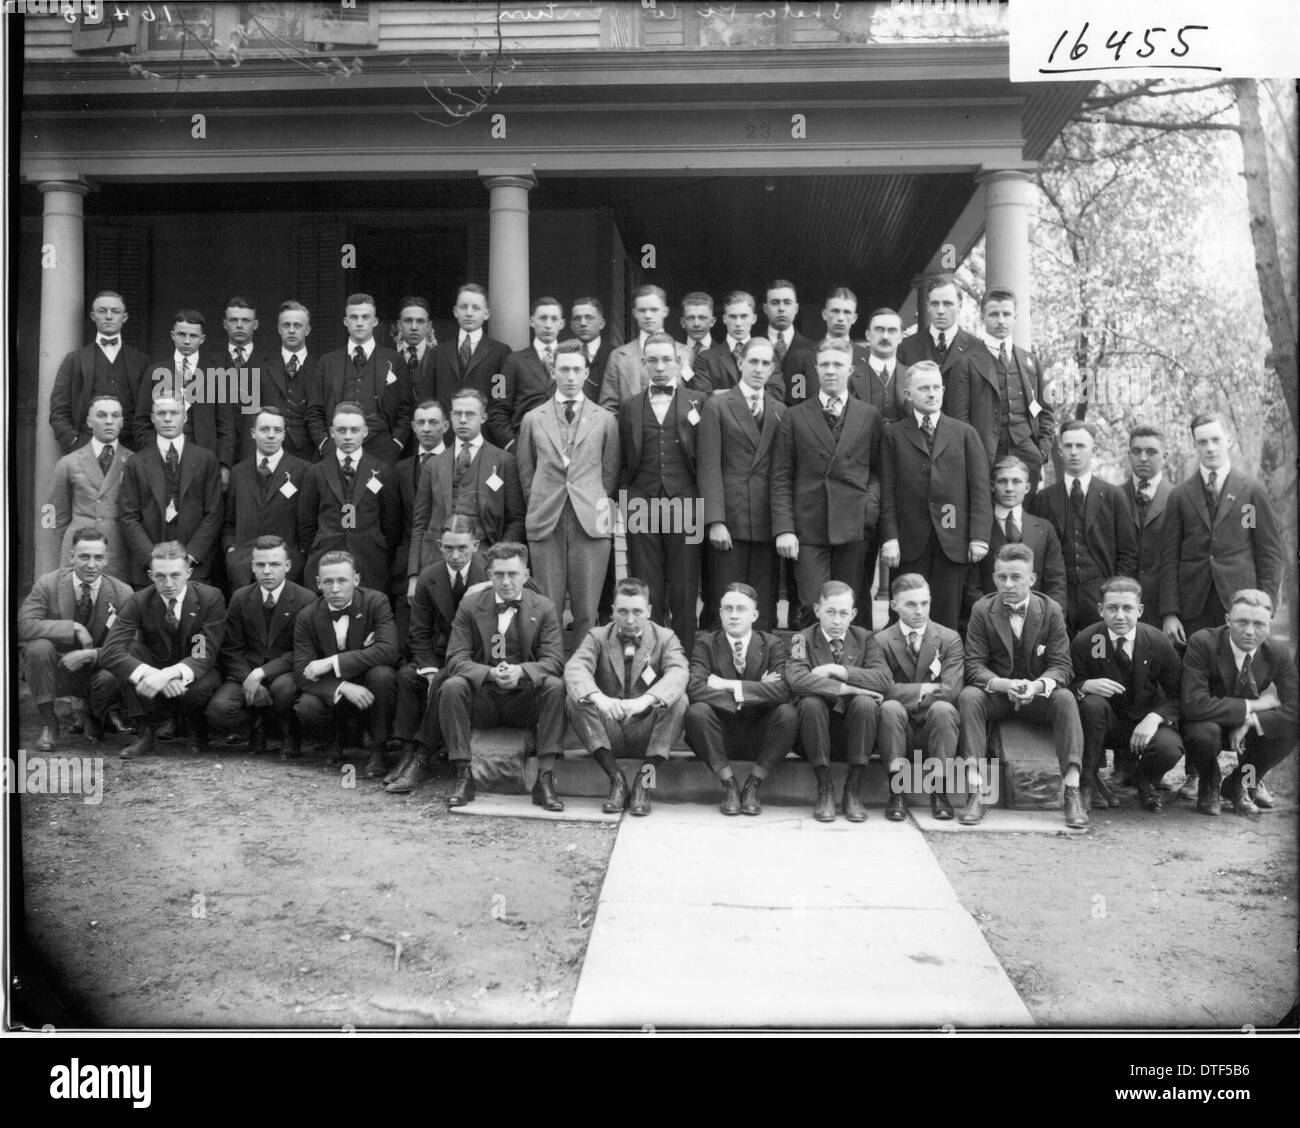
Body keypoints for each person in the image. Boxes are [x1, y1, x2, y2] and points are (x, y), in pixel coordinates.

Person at [958, 543, 1088, 828]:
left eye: (1016, 577)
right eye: (1002, 577)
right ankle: (976, 789)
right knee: (969, 697)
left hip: (1036, 697)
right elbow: (973, 665)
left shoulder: (1050, 609)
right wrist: (1002, 684)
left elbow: (1062, 665)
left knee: (1065, 698)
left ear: (1032, 579)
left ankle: (1072, 789)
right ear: (994, 578)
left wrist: (1039, 686)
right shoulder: (982, 609)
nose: (1008, 584)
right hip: (999, 695)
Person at [440, 542, 568, 811]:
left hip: (523, 699)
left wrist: (522, 671)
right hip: (484, 698)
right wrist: (488, 674)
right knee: (452, 686)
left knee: (555, 686)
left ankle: (545, 779)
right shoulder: (470, 605)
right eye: (499, 574)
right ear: (488, 575)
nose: (506, 581)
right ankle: (464, 775)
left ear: (526, 574)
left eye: (513, 574)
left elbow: (554, 661)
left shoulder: (544, 608)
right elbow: (455, 658)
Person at [770, 338, 883, 628]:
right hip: (809, 526)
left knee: (850, 606)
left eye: (838, 364)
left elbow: (878, 471)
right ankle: (809, 670)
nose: (831, 371)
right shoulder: (795, 416)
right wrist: (784, 528)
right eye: (825, 365)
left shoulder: (868, 415)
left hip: (854, 525)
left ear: (851, 369)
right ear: (816, 369)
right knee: (811, 603)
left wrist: (868, 508)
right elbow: (781, 476)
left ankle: (850, 671)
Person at [517, 341, 620, 646]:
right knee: (546, 606)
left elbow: (610, 473)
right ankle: (549, 669)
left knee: (587, 608)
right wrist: (540, 500)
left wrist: (594, 503)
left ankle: (584, 674)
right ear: (553, 371)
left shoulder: (605, 419)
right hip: (546, 517)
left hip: (590, 519)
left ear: (587, 372)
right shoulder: (534, 418)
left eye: (577, 369)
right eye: (564, 369)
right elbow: (526, 471)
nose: (571, 376)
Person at [878, 360, 990, 631]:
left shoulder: (964, 433)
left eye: (936, 387)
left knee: (945, 614)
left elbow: (979, 488)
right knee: (905, 610)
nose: (932, 393)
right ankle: (902, 671)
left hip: (952, 541)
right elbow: (887, 491)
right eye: (924, 388)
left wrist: (978, 536)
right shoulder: (893, 434)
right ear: (908, 394)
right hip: (909, 541)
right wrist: (890, 538)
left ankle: (943, 672)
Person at [564, 577, 690, 816]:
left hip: (646, 729)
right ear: (612, 611)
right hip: (609, 729)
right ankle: (616, 780)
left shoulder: (665, 638)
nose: (630, 620)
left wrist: (646, 700)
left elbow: (679, 672)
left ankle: (644, 782)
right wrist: (598, 698)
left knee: (679, 700)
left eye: (637, 612)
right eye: (622, 611)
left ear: (649, 611)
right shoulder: (597, 636)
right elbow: (575, 668)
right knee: (576, 698)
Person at [616, 331, 707, 653]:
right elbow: (624, 457)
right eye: (652, 360)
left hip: (686, 501)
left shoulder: (700, 401)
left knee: (684, 586)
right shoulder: (628, 407)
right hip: (641, 501)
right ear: (642, 364)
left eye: (666, 359)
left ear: (678, 362)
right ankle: (651, 656)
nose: (660, 366)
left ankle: (683, 658)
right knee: (646, 585)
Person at [1159, 413, 1283, 644]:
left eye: (1216, 439)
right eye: (1202, 442)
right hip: (1193, 606)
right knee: (1197, 670)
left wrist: (1266, 605)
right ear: (1195, 445)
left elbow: (1269, 553)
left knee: (1239, 672)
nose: (1210, 448)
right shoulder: (1180, 495)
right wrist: (1170, 612)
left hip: (1242, 605)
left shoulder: (1251, 492)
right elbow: (1169, 558)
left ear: (1228, 440)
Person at [385, 517, 485, 794]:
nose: (455, 555)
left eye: (462, 548)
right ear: (439, 546)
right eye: (448, 548)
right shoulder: (430, 576)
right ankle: (407, 751)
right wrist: (428, 670)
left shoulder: (491, 573)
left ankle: (420, 758)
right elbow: (418, 632)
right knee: (408, 676)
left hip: (478, 657)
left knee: (444, 679)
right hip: (443, 654)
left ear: (475, 545)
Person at [101, 540, 227, 758]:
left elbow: (202, 652)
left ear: (188, 572)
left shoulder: (209, 598)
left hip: (196, 668)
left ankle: (196, 728)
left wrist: (171, 673)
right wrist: (153, 674)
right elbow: (111, 650)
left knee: (198, 689)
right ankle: (145, 733)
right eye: (160, 576)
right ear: (151, 575)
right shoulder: (139, 600)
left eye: (175, 575)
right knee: (130, 651)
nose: (168, 583)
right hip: (157, 666)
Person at [1070, 577, 1185, 813]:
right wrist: (1085, 685)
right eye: (1112, 608)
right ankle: (1088, 781)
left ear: (1140, 610)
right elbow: (1066, 684)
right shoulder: (1088, 640)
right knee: (1091, 705)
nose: (1120, 616)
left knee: (1169, 748)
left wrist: (1155, 718)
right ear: (1100, 609)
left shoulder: (1158, 642)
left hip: (1145, 722)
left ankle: (1144, 780)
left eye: (1127, 608)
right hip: (1105, 723)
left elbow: (1178, 695)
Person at [684, 583, 798, 817]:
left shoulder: (772, 644)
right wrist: (753, 693)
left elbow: (783, 691)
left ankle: (753, 784)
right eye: (728, 608)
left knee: (788, 713)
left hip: (760, 733)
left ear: (754, 614)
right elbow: (695, 688)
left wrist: (729, 686)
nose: (734, 615)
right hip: (719, 734)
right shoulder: (706, 643)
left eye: (741, 609)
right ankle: (729, 785)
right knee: (697, 712)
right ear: (720, 612)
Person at [1181, 589, 1297, 816]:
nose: (1250, 631)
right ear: (1227, 620)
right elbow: (1193, 703)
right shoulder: (1203, 642)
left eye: (1259, 624)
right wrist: (1251, 706)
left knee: (1288, 729)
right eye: (1241, 622)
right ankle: (1209, 781)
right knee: (1202, 733)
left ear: (1270, 623)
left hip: (1244, 728)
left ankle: (1241, 782)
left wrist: (1251, 720)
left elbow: (1295, 707)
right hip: (1208, 722)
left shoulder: (1277, 652)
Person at [785, 581, 892, 823]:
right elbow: (796, 679)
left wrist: (838, 669)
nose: (836, 621)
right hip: (812, 735)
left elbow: (884, 679)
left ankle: (853, 789)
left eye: (843, 613)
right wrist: (849, 688)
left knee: (865, 704)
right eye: (830, 611)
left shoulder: (866, 638)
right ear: (816, 610)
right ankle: (825, 788)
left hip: (856, 733)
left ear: (853, 614)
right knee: (810, 702)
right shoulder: (801, 639)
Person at [697, 336, 785, 631]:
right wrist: (715, 521)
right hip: (730, 520)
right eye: (753, 362)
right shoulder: (718, 405)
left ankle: (761, 672)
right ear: (740, 363)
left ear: (772, 369)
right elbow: (708, 467)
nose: (759, 369)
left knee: (763, 602)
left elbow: (782, 472)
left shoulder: (779, 410)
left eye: (765, 363)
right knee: (725, 600)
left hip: (765, 521)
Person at [19, 526, 134, 750]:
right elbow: (22, 625)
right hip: (57, 670)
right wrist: (72, 627)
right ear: (71, 557)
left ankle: (94, 713)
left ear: (106, 559)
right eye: (84, 557)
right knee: (37, 649)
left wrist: (90, 654)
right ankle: (50, 722)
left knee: (113, 676)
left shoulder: (122, 593)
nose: (91, 565)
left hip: (96, 669)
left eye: (98, 557)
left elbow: (128, 645)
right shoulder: (49, 584)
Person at [206, 535, 315, 756]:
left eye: (274, 564)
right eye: (260, 564)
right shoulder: (240, 597)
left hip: (284, 672)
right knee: (220, 708)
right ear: (253, 566)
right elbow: (230, 648)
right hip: (246, 672)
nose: (267, 571)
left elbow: (303, 651)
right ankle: (257, 724)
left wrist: (261, 673)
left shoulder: (306, 599)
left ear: (287, 566)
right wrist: (248, 677)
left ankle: (289, 733)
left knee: (283, 689)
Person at [292, 550, 399, 775]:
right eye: (328, 582)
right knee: (307, 706)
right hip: (335, 688)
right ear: (318, 583)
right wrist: (343, 687)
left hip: (368, 683)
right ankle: (333, 739)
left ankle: (379, 749)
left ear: (356, 580)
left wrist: (333, 661)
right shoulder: (307, 616)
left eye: (342, 580)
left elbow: (389, 651)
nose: (335, 588)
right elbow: (302, 671)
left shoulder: (376, 602)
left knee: (383, 675)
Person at [1028, 418, 1138, 634]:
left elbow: (1128, 553)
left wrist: (1113, 594)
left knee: (1099, 658)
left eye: (1080, 446)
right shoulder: (1043, 499)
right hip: (1057, 595)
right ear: (1059, 450)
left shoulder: (1114, 496)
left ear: (1094, 449)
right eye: (1068, 446)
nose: (1074, 452)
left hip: (1100, 595)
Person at [946, 287, 1054, 490]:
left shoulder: (1031, 362)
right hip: (985, 456)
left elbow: (1046, 411)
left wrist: (1042, 451)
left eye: (1006, 314)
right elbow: (959, 419)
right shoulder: (966, 363)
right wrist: (971, 456)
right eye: (994, 314)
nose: (1001, 320)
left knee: (1027, 516)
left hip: (1028, 455)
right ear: (982, 317)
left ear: (1015, 316)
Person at [876, 574, 965, 822]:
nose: (919, 611)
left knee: (944, 709)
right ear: (894, 606)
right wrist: (926, 689)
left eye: (924, 603)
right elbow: (882, 691)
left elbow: (950, 690)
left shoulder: (949, 638)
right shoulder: (880, 641)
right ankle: (897, 790)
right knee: (890, 708)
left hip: (934, 730)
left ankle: (939, 790)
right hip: (895, 730)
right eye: (911, 604)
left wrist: (904, 690)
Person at [407, 389, 524, 577]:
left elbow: (516, 519)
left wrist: (499, 556)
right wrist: (414, 574)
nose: (462, 420)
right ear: (451, 417)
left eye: (469, 414)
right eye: (457, 414)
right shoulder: (433, 464)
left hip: (485, 559)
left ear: (483, 417)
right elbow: (420, 523)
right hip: (438, 560)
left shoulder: (503, 461)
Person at [119, 392, 224, 587]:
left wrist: (191, 555)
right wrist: (152, 559)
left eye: (174, 413)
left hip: (195, 568)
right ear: (152, 418)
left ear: (184, 417)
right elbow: (128, 516)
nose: (167, 419)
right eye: (161, 413)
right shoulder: (136, 463)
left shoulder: (205, 460)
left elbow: (214, 513)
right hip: (149, 571)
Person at [297, 401, 402, 593]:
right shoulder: (316, 472)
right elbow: (306, 524)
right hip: (326, 559)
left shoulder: (382, 471)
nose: (347, 436)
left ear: (365, 432)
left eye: (354, 430)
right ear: (331, 432)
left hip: (370, 563)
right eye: (342, 430)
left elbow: (391, 523)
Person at [306, 293, 412, 467]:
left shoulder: (394, 360)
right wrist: (324, 444)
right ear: (345, 321)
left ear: (375, 322)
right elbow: (315, 410)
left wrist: (396, 443)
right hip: (336, 448)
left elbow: (405, 409)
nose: (360, 322)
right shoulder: (328, 362)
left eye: (365, 317)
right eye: (354, 317)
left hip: (382, 449)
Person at [135, 309, 238, 481]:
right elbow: (141, 422)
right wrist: (155, 453)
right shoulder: (155, 372)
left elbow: (226, 426)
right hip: (162, 461)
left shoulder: (216, 374)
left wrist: (224, 464)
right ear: (172, 335)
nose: (187, 341)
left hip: (205, 463)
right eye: (182, 334)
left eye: (193, 336)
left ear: (202, 339)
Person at [49, 289, 149, 454]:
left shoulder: (141, 360)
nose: (109, 316)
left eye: (115, 311)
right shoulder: (75, 360)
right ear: (93, 316)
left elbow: (150, 409)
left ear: (124, 317)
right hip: (86, 449)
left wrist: (143, 447)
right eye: (102, 311)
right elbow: (58, 411)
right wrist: (75, 442)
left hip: (132, 451)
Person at [47, 394, 134, 581]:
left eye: (115, 415)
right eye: (101, 415)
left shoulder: (134, 462)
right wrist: (72, 547)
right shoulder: (69, 463)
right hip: (79, 552)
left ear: (122, 422)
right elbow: (55, 515)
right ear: (89, 421)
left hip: (118, 552)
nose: (109, 421)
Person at [223, 407, 310, 587]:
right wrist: (232, 551)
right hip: (243, 570)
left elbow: (308, 523)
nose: (271, 435)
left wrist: (299, 555)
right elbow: (229, 522)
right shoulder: (238, 472)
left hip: (288, 570)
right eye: (264, 430)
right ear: (253, 433)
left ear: (284, 435)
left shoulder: (303, 471)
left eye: (277, 430)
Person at [969, 455, 1067, 615]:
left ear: (1027, 487)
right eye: (1002, 481)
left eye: (1016, 481)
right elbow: (971, 586)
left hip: (1036, 621)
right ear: (992, 486)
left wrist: (1050, 622)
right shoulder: (979, 529)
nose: (1009, 488)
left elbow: (1056, 582)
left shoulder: (1044, 529)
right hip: (989, 622)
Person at [424, 283, 513, 445]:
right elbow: (429, 399)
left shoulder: (500, 353)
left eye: (476, 308)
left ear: (486, 314)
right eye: (464, 307)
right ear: (455, 312)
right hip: (445, 440)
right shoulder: (437, 353)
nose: (469, 313)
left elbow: (499, 399)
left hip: (485, 439)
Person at [393, 400, 449, 641]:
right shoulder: (399, 469)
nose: (426, 428)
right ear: (413, 427)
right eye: (421, 423)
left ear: (446, 425)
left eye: (433, 422)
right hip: (408, 564)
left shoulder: (456, 462)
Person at [598, 285, 697, 410]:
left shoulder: (686, 353)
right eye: (642, 310)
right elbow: (608, 408)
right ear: (634, 313)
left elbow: (694, 401)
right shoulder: (619, 356)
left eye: (654, 310)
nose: (648, 315)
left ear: (665, 311)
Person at [246, 300, 316, 464]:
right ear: (279, 329)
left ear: (307, 330)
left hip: (309, 456)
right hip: (268, 453)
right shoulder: (259, 367)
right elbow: (249, 415)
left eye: (297, 326)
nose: (291, 330)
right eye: (286, 325)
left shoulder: (322, 369)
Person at [1122, 424, 1172, 628]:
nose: (1143, 458)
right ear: (1129, 454)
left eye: (1151, 452)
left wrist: (1172, 611)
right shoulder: (1112, 497)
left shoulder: (1178, 498)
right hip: (1122, 607)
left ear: (1165, 456)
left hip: (1163, 607)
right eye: (1137, 451)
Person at [502, 296, 567, 444]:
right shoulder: (512, 361)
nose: (548, 325)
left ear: (562, 323)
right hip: (525, 442)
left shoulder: (572, 360)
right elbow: (498, 408)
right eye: (543, 318)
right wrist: (510, 444)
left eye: (554, 319)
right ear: (531, 321)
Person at [694, 290, 781, 399]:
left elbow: (776, 393)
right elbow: (702, 398)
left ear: (754, 319)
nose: (738, 323)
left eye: (744, 316)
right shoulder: (706, 359)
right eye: (733, 317)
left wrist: (725, 395)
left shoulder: (769, 353)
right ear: (725, 319)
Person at [895, 273, 980, 378]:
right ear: (927, 307)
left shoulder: (977, 349)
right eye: (935, 304)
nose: (940, 311)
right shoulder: (906, 348)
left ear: (960, 306)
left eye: (947, 304)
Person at [761, 279, 816, 405]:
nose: (781, 308)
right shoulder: (753, 347)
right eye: (775, 303)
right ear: (765, 308)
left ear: (796, 308)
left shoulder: (813, 349)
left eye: (787, 302)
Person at [849, 307, 907, 424]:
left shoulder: (913, 377)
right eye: (879, 330)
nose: (885, 336)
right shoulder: (850, 377)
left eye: (892, 330)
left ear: (901, 337)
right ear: (868, 335)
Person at [394, 296, 437, 406]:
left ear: (429, 326)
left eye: (420, 321)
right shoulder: (387, 358)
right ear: (399, 325)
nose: (414, 327)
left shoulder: (439, 357)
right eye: (408, 321)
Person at [568, 297, 612, 402]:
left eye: (589, 318)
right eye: (577, 318)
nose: (583, 323)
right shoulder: (563, 355)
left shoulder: (615, 355)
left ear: (602, 324)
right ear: (572, 326)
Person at [679, 291, 717, 372]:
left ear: (712, 321)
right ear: (682, 322)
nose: (696, 324)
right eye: (690, 318)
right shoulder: (674, 352)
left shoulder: (724, 353)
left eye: (702, 317)